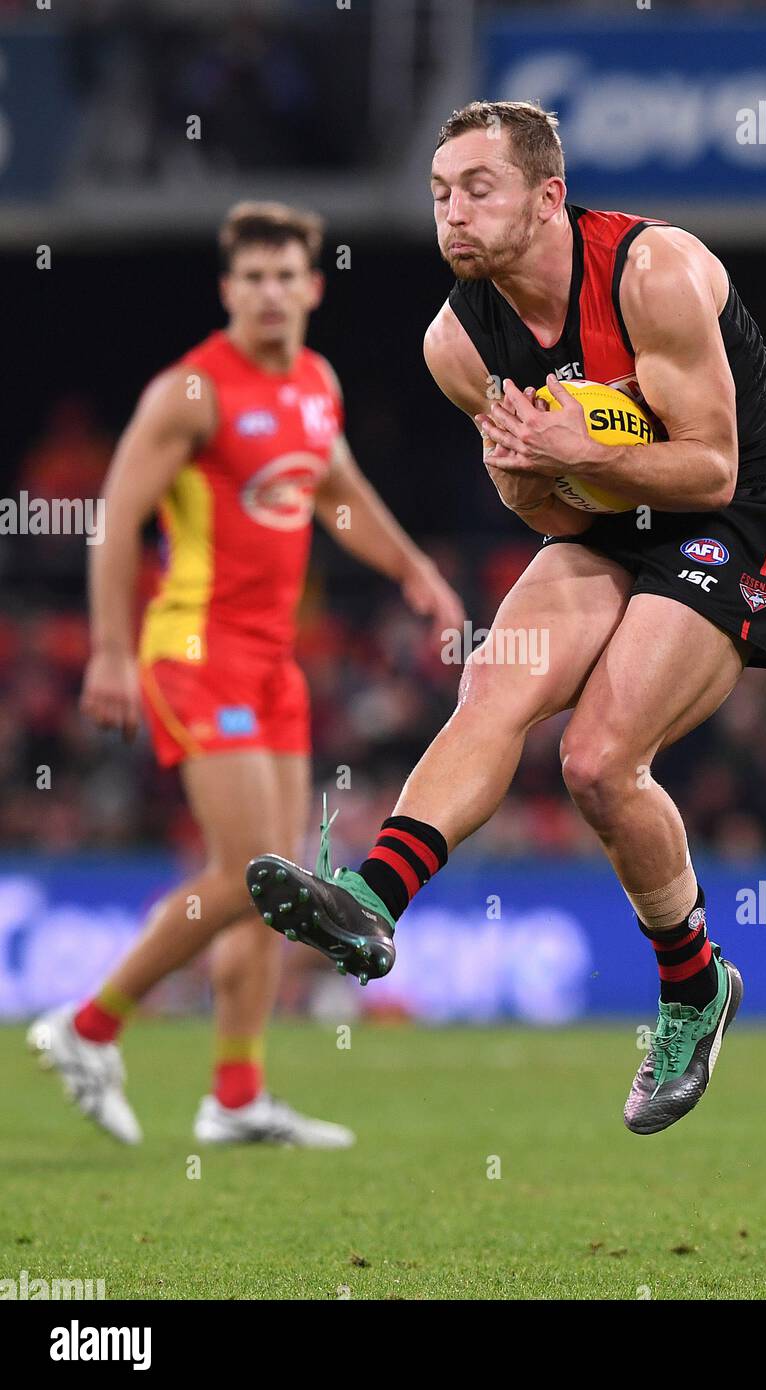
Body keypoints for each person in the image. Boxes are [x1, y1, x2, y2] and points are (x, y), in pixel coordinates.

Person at [245, 102, 766, 1135]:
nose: (451, 214)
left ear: (548, 198)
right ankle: (372, 902)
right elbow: (552, 508)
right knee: (494, 683)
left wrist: (578, 455)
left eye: (477, 189)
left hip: (736, 521)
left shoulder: (655, 272)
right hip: (604, 517)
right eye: (438, 193)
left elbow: (712, 464)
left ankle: (696, 989)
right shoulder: (456, 343)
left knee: (598, 760)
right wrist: (524, 489)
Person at [28, 201, 464, 1146]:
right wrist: (107, 650)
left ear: (312, 286)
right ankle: (88, 1025)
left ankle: (233, 1097)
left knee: (284, 884)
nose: (270, 292)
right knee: (241, 872)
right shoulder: (192, 393)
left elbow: (338, 495)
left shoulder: (316, 383)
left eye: (285, 276)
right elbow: (115, 521)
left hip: (273, 664)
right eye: (252, 277)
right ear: (229, 290)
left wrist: (413, 569)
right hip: (194, 648)